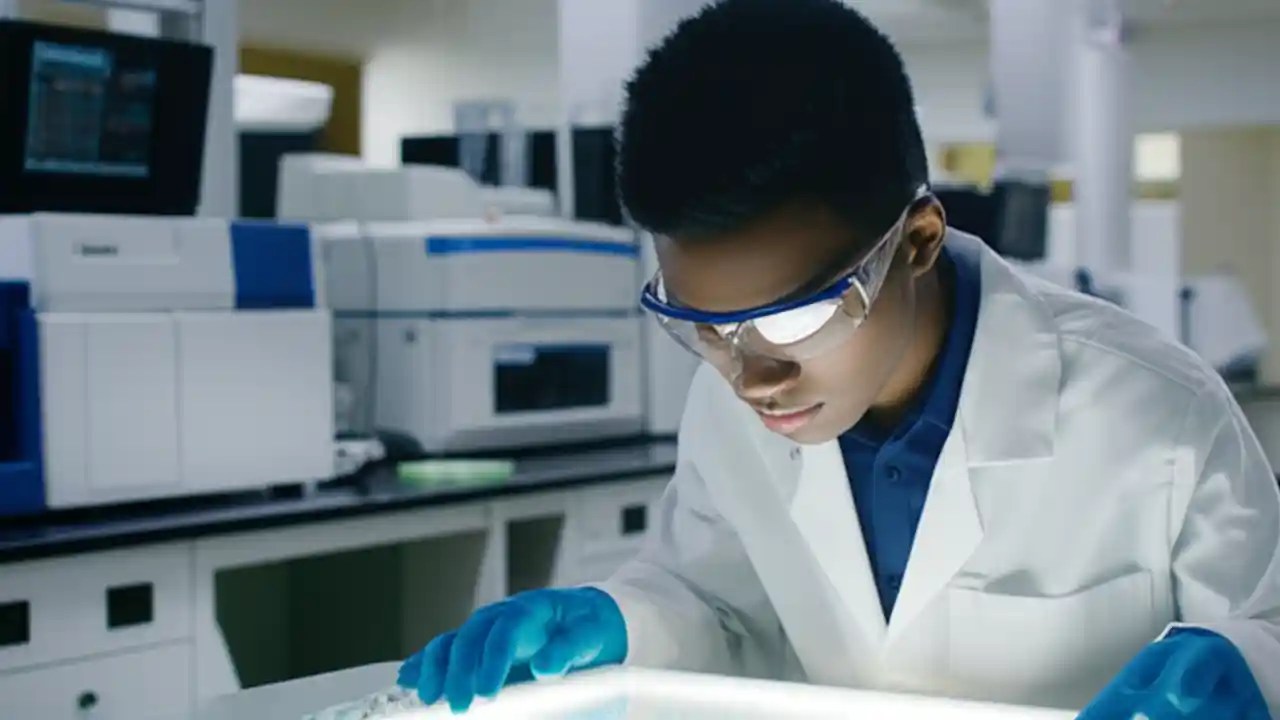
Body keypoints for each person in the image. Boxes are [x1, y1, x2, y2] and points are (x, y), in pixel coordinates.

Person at [397, 1, 1280, 717]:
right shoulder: (732, 402)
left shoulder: (1157, 410)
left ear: (920, 240)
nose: (751, 378)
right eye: (704, 324)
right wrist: (618, 619)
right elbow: (719, 607)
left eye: (795, 319)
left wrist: (1246, 664)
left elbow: (1267, 626)